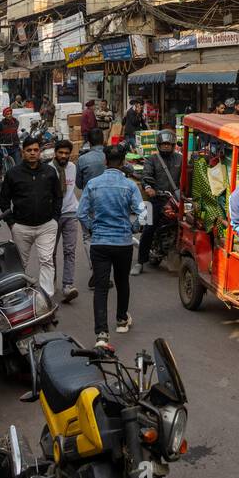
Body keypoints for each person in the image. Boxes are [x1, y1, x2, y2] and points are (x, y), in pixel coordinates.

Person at [78, 144, 145, 345]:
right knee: (122, 281)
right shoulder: (130, 186)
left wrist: (92, 228)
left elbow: (81, 214)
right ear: (123, 163)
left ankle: (101, 334)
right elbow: (144, 214)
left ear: (105, 162)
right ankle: (122, 321)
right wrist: (132, 228)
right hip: (123, 243)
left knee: (100, 287)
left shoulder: (92, 184)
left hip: (100, 243)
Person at [0, 136, 63, 302]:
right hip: (21, 227)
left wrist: (55, 218)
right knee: (20, 263)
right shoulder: (13, 174)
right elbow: (3, 201)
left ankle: (46, 298)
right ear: (23, 152)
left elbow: (58, 197)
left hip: (47, 225)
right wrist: (12, 223)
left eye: (35, 150)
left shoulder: (49, 172)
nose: (33, 153)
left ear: (40, 152)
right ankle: (20, 297)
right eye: (29, 150)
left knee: (47, 260)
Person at [135, 128, 182, 275]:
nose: (166, 146)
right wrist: (149, 187)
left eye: (169, 144)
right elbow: (146, 176)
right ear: (158, 145)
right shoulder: (151, 159)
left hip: (175, 200)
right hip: (156, 199)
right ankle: (140, 262)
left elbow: (188, 174)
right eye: (163, 144)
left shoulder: (180, 159)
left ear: (173, 145)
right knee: (149, 229)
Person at [74, 128, 107, 290]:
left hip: (90, 202)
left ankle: (96, 268)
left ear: (89, 142)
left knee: (88, 237)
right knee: (107, 235)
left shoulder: (82, 159)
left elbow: (79, 184)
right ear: (103, 139)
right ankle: (104, 271)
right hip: (109, 202)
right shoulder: (110, 156)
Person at [52, 138, 80, 304]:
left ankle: (67, 286)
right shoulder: (48, 169)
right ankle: (51, 285)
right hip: (53, 216)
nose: (63, 156)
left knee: (69, 251)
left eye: (66, 153)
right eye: (61, 153)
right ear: (56, 153)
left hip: (71, 213)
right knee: (51, 254)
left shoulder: (72, 167)